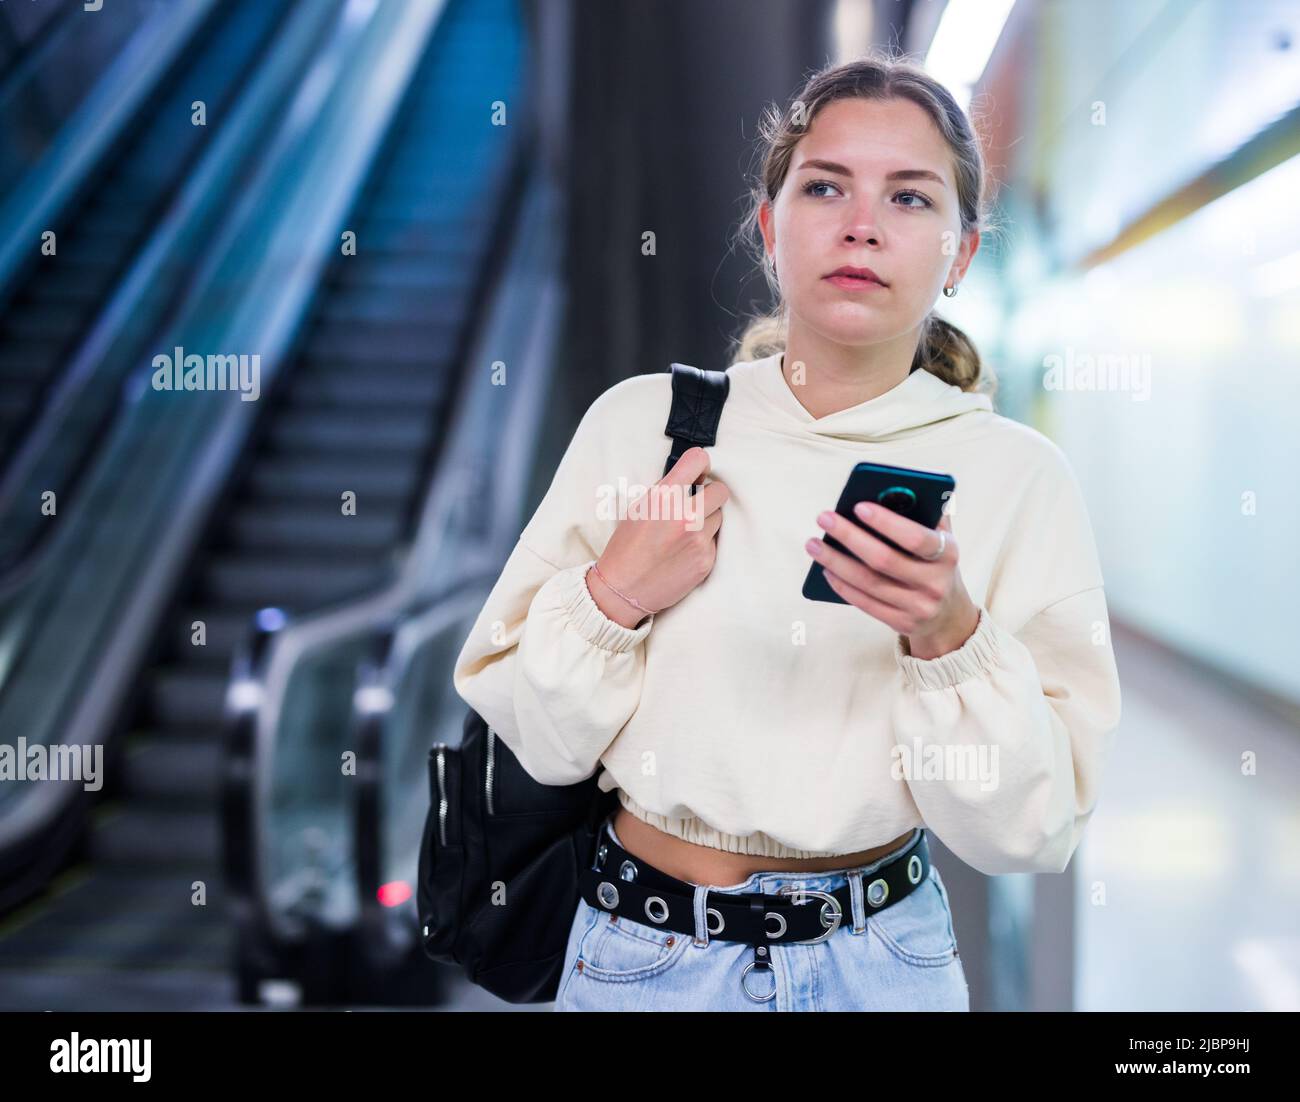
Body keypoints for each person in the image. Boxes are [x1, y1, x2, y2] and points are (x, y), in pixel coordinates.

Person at [452, 51, 1122, 1011]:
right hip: (642, 957)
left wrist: (951, 639)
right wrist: (615, 597)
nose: (861, 225)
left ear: (962, 253)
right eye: (825, 187)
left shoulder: (1018, 477)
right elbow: (542, 745)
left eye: (910, 199)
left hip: (883, 966)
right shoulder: (644, 426)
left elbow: (1029, 831)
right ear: (769, 229)